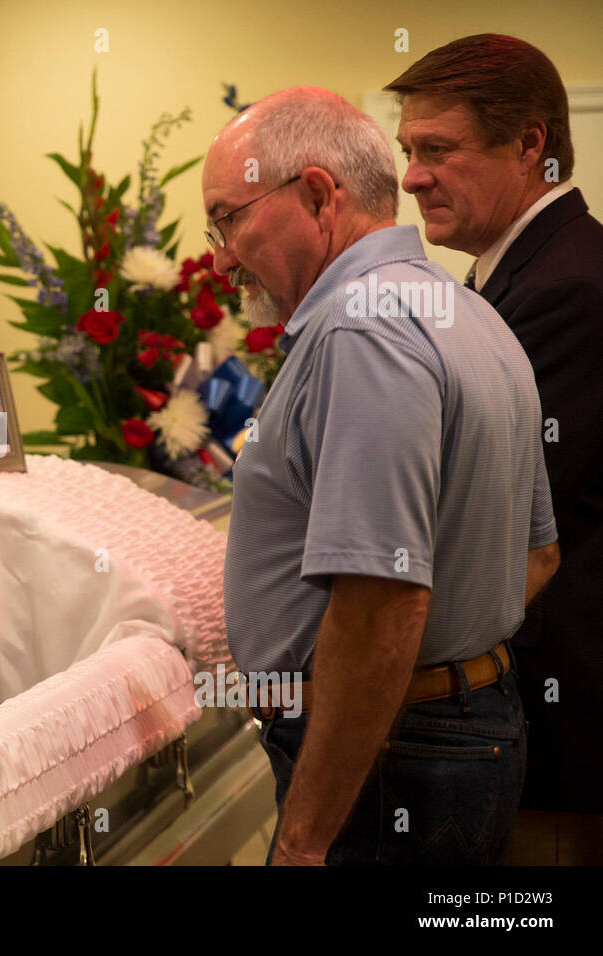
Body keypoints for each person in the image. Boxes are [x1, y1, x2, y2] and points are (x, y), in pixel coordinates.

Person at [204, 86, 559, 865]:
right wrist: (444, 664)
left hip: (389, 759)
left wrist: (301, 842)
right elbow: (536, 555)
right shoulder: (468, 311)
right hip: (449, 733)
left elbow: (382, 600)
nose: (221, 254)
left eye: (229, 217)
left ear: (319, 195)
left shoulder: (363, 328)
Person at [388, 35, 603, 863]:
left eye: (437, 149)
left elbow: (491, 516)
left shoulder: (569, 287)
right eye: (408, 151)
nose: (411, 176)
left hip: (561, 733)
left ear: (529, 147)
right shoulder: (509, 275)